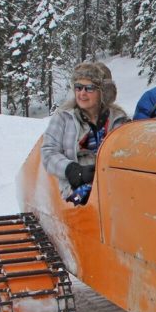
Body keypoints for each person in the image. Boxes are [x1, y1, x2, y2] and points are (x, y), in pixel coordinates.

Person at [41, 62, 129, 205]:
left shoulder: (118, 119)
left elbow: (127, 152)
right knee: (86, 199)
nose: (82, 93)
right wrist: (71, 169)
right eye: (78, 87)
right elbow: (48, 152)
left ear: (102, 92)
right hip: (75, 187)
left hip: (112, 184)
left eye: (89, 88)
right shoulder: (64, 118)